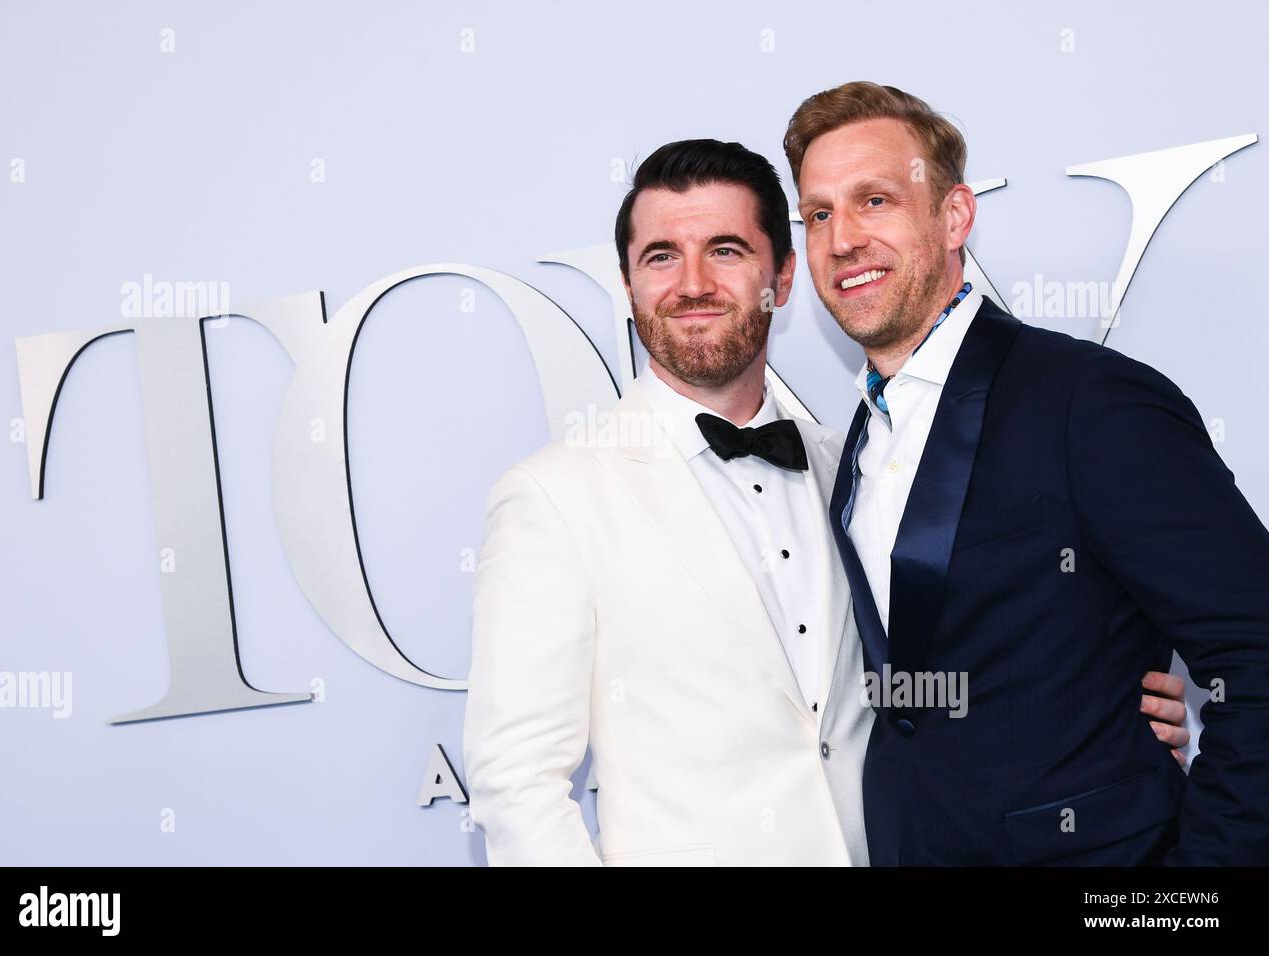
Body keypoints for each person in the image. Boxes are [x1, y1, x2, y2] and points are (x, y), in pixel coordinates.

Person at [462, 138, 1187, 866]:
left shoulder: (856, 467)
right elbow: (516, 782)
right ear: (627, 283)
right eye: (660, 256)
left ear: (781, 276)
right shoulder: (552, 496)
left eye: (725, 250)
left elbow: (959, 671)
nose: (692, 284)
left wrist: (1110, 716)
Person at [786, 81, 1268, 865]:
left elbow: (1256, 652)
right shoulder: (858, 445)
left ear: (953, 217)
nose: (841, 239)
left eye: (875, 200)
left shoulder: (1089, 400)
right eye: (818, 214)